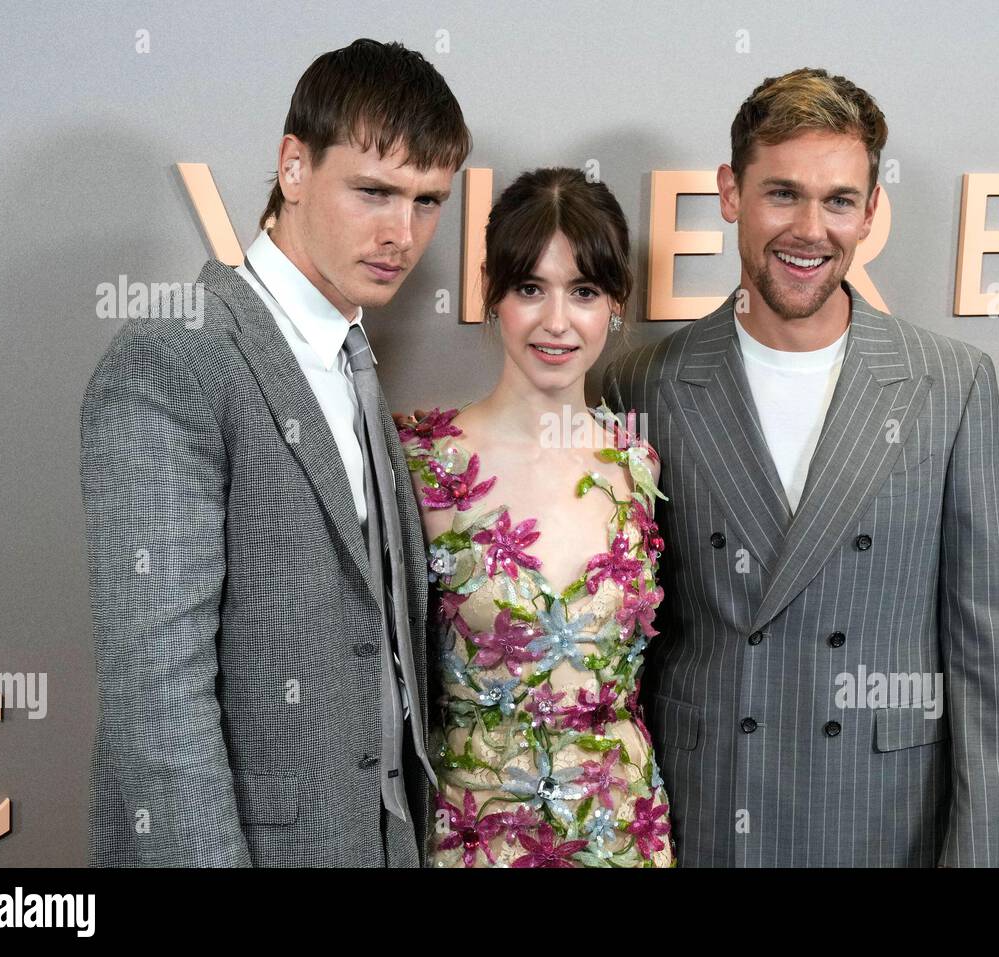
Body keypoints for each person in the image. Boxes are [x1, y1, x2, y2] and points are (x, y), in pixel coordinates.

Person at [602, 68, 999, 867]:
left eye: (837, 201)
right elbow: (629, 640)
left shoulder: (951, 383)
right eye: (782, 193)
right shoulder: (644, 383)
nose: (810, 228)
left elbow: (986, 666)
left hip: (880, 817)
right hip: (707, 807)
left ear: (870, 212)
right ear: (731, 192)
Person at [79, 39, 470, 866]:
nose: (403, 233)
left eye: (428, 201)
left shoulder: (352, 358)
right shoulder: (177, 357)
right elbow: (157, 699)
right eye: (374, 191)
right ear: (293, 166)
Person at [398, 167, 675, 867]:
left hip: (622, 835)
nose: (557, 321)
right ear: (492, 292)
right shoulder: (424, 462)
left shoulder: (638, 465)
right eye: (530, 289)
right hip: (472, 838)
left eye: (583, 291)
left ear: (616, 302)